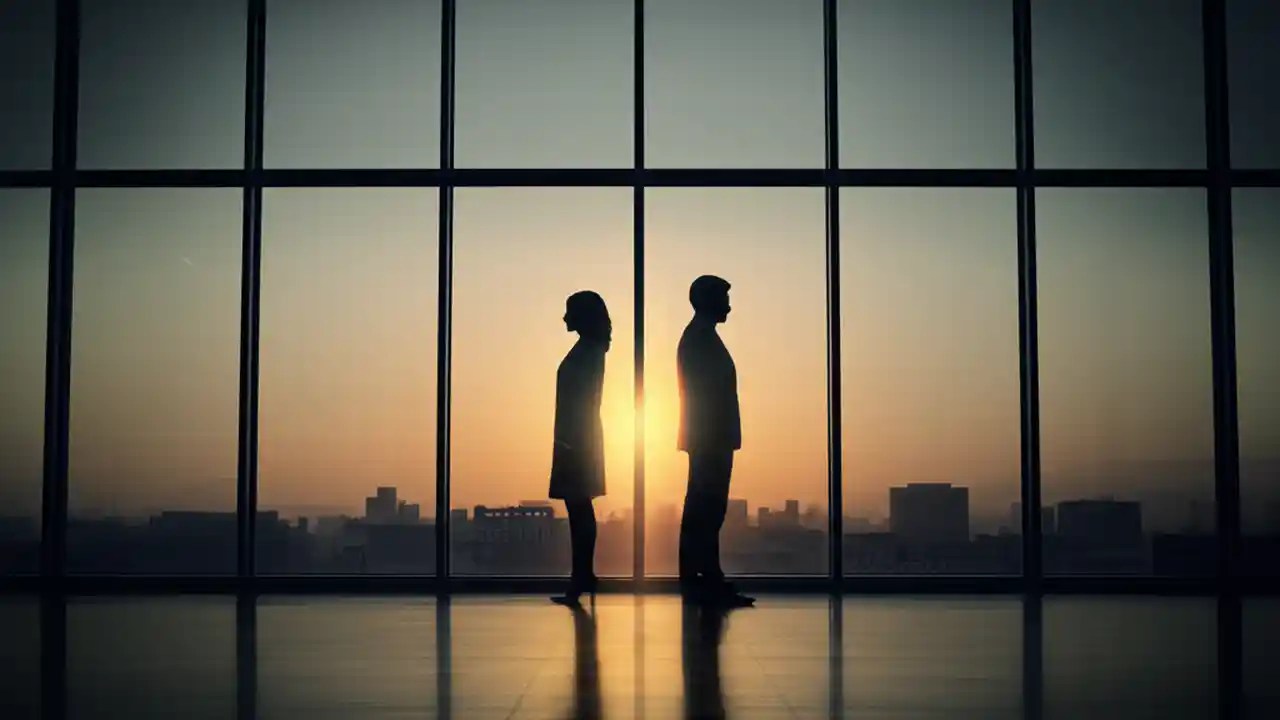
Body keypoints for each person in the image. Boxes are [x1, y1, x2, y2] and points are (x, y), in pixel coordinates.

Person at [677, 275, 754, 607]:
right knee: (706, 508)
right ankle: (703, 578)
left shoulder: (701, 338)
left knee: (707, 507)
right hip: (710, 437)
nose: (729, 306)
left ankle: (705, 576)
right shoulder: (700, 339)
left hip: (711, 436)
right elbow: (706, 394)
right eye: (724, 298)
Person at [549, 290, 611, 605]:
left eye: (569, 311)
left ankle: (581, 576)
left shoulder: (587, 352)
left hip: (576, 439)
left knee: (579, 508)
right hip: (576, 438)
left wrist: (569, 444)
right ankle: (582, 575)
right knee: (579, 508)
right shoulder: (590, 350)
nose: (564, 318)